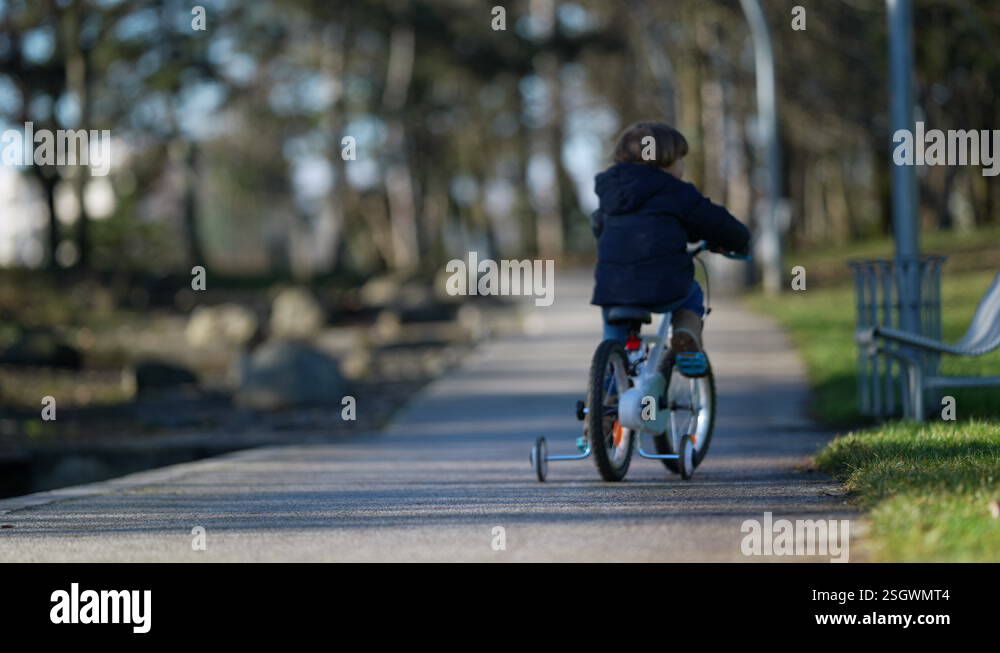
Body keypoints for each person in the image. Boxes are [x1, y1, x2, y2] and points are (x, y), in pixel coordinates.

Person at [590, 121, 751, 377]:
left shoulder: (611, 192)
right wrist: (741, 241)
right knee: (692, 294)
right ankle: (686, 335)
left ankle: (607, 395)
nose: (682, 166)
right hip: (663, 284)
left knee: (614, 333)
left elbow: (598, 225)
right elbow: (715, 222)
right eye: (680, 159)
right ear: (665, 161)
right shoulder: (677, 192)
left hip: (613, 286)